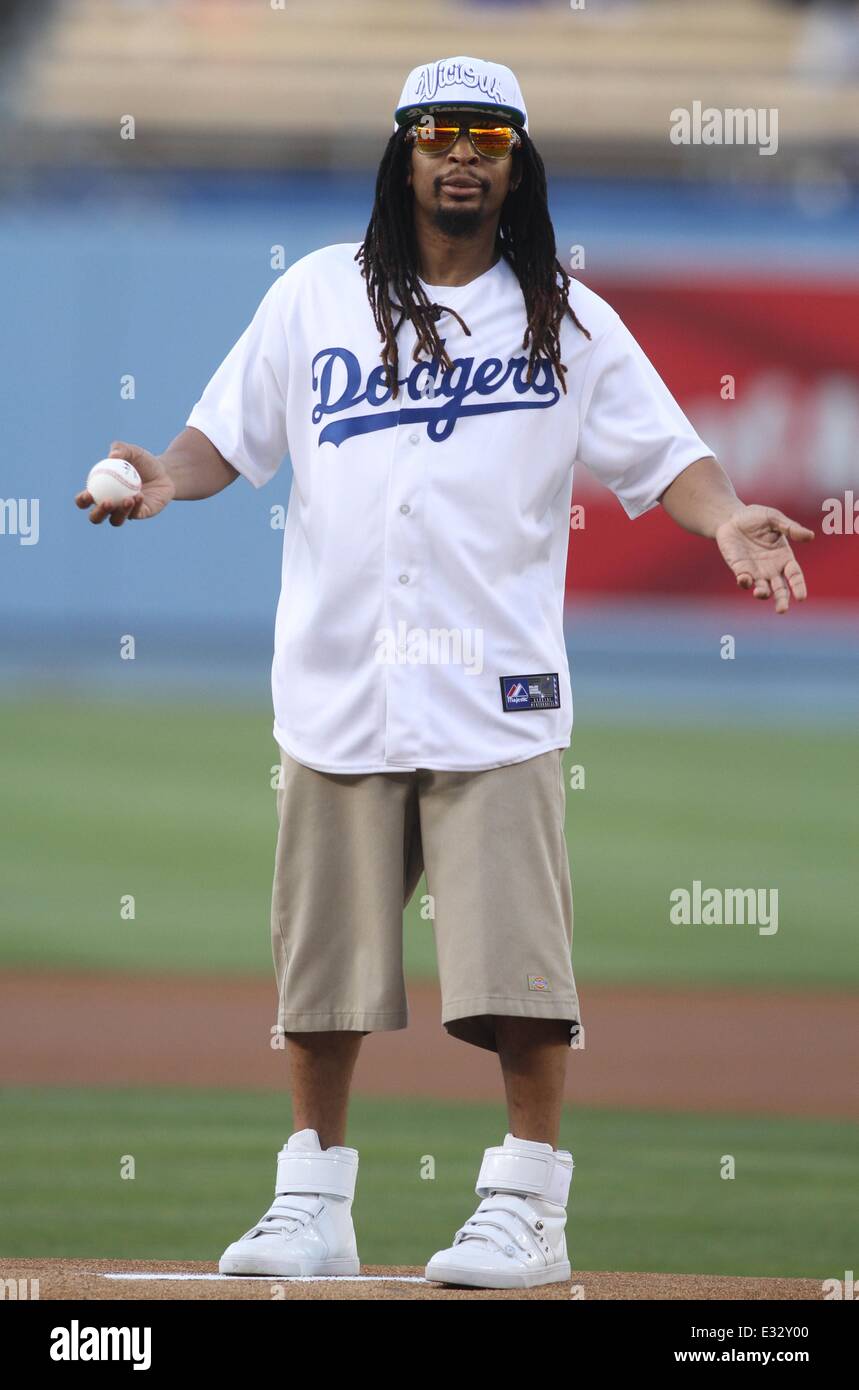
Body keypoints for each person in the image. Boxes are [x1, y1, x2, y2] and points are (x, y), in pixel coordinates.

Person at [75, 56, 813, 1291]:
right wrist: (162, 474)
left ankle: (527, 1205)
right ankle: (312, 1200)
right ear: (403, 154)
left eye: (485, 135)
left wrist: (728, 514)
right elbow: (227, 434)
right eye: (436, 134)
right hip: (336, 684)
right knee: (319, 972)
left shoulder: (565, 317)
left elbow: (667, 455)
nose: (459, 155)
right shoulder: (315, 296)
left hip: (495, 691)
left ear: (516, 160)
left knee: (518, 974)